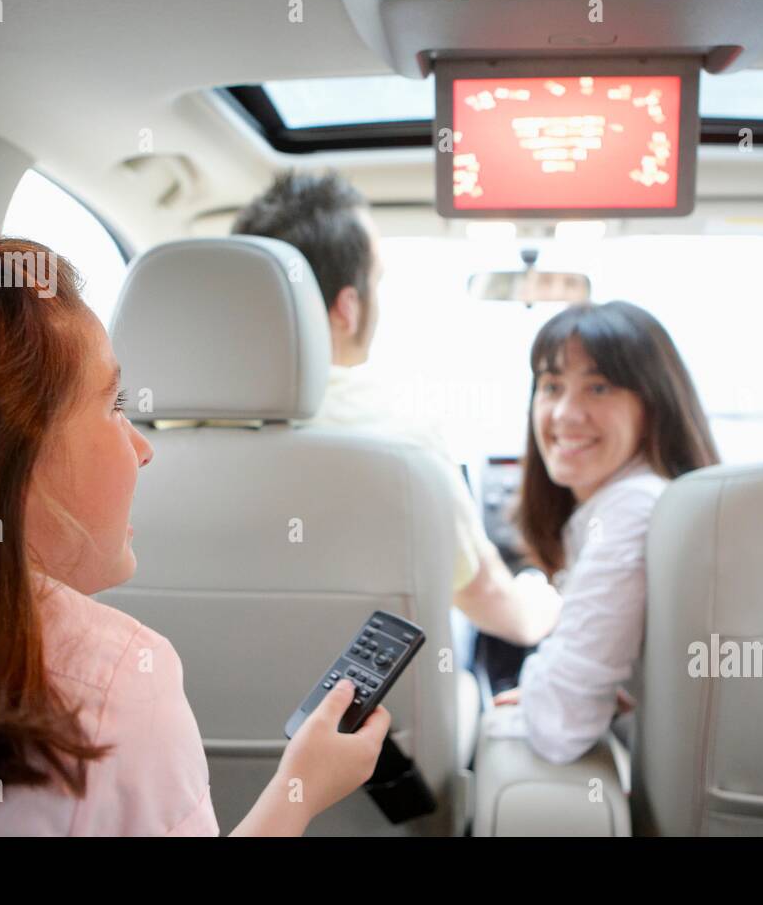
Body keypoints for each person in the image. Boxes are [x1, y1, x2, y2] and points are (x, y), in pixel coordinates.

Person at [0, 226, 386, 836]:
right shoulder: (110, 684)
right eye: (114, 403)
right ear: (10, 456)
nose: (142, 449)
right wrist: (302, 787)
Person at [232, 172, 559, 654]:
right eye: (377, 281)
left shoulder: (150, 435)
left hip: (188, 728)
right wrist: (541, 605)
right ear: (348, 308)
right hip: (370, 725)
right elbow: (486, 597)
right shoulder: (399, 435)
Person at [492, 301, 720, 765]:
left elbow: (561, 727)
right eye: (551, 386)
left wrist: (543, 687)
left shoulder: (633, 507)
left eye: (599, 387)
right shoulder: (636, 501)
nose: (566, 414)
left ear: (654, 405)